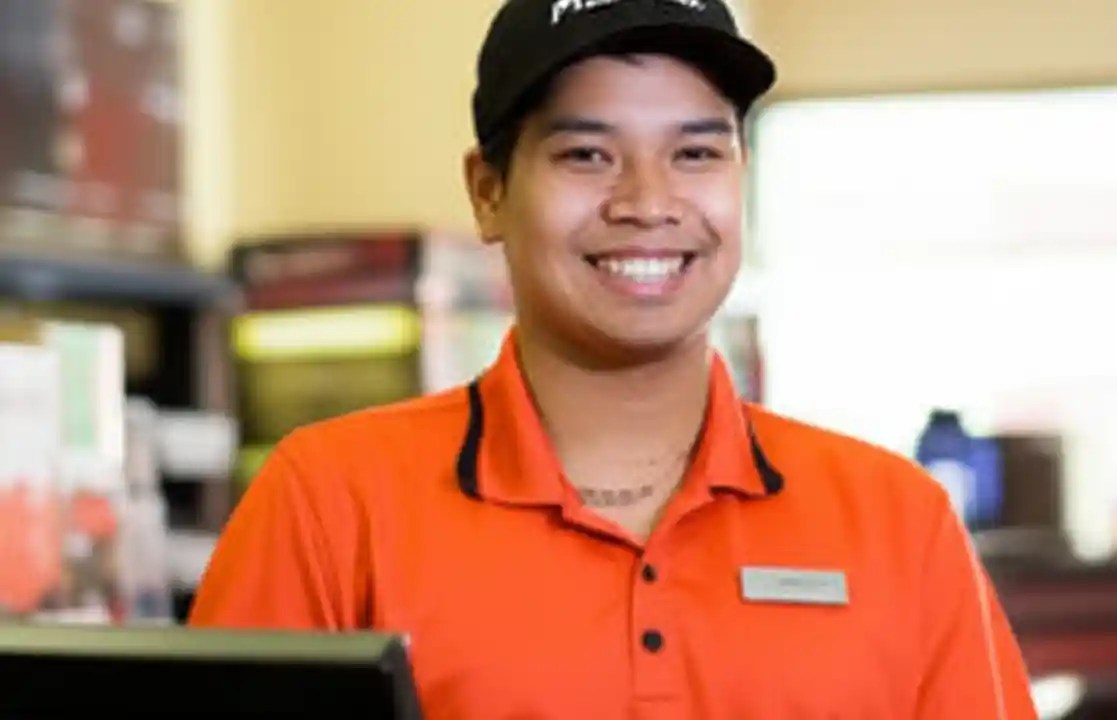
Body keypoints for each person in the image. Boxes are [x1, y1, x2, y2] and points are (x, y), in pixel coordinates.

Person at [188, 0, 1039, 717]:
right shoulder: (328, 506)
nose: (648, 202)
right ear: (488, 190)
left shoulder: (899, 523)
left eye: (696, 153)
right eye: (587, 154)